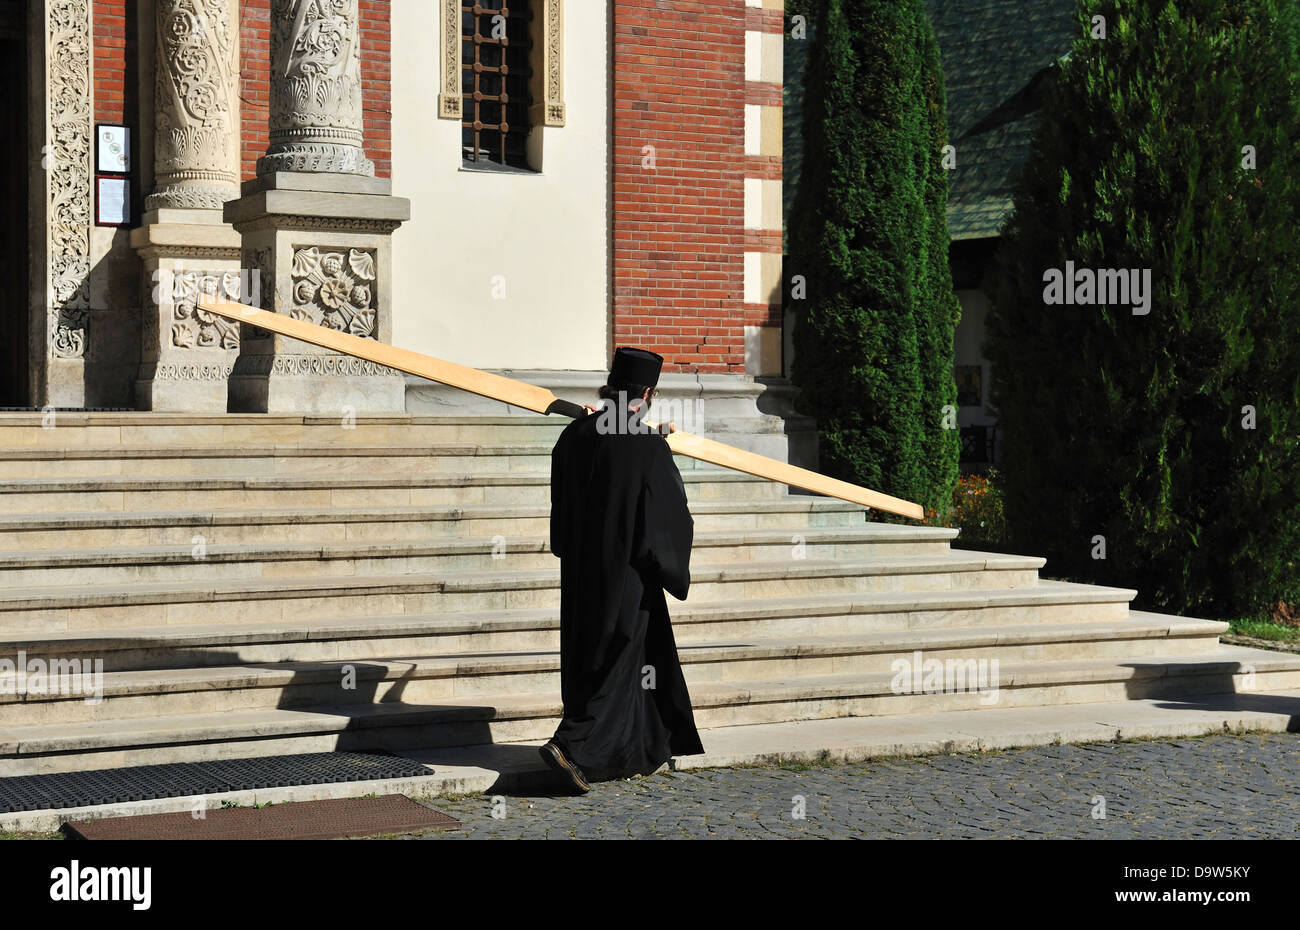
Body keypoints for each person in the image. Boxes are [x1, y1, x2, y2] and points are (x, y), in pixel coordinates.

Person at [539, 347, 704, 792]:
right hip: (626, 576)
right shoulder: (647, 445)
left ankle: (628, 752)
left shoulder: (574, 436)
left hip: (578, 572)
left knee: (589, 658)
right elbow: (669, 516)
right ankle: (571, 746)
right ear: (647, 393)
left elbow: (563, 506)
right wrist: (668, 565)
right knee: (618, 661)